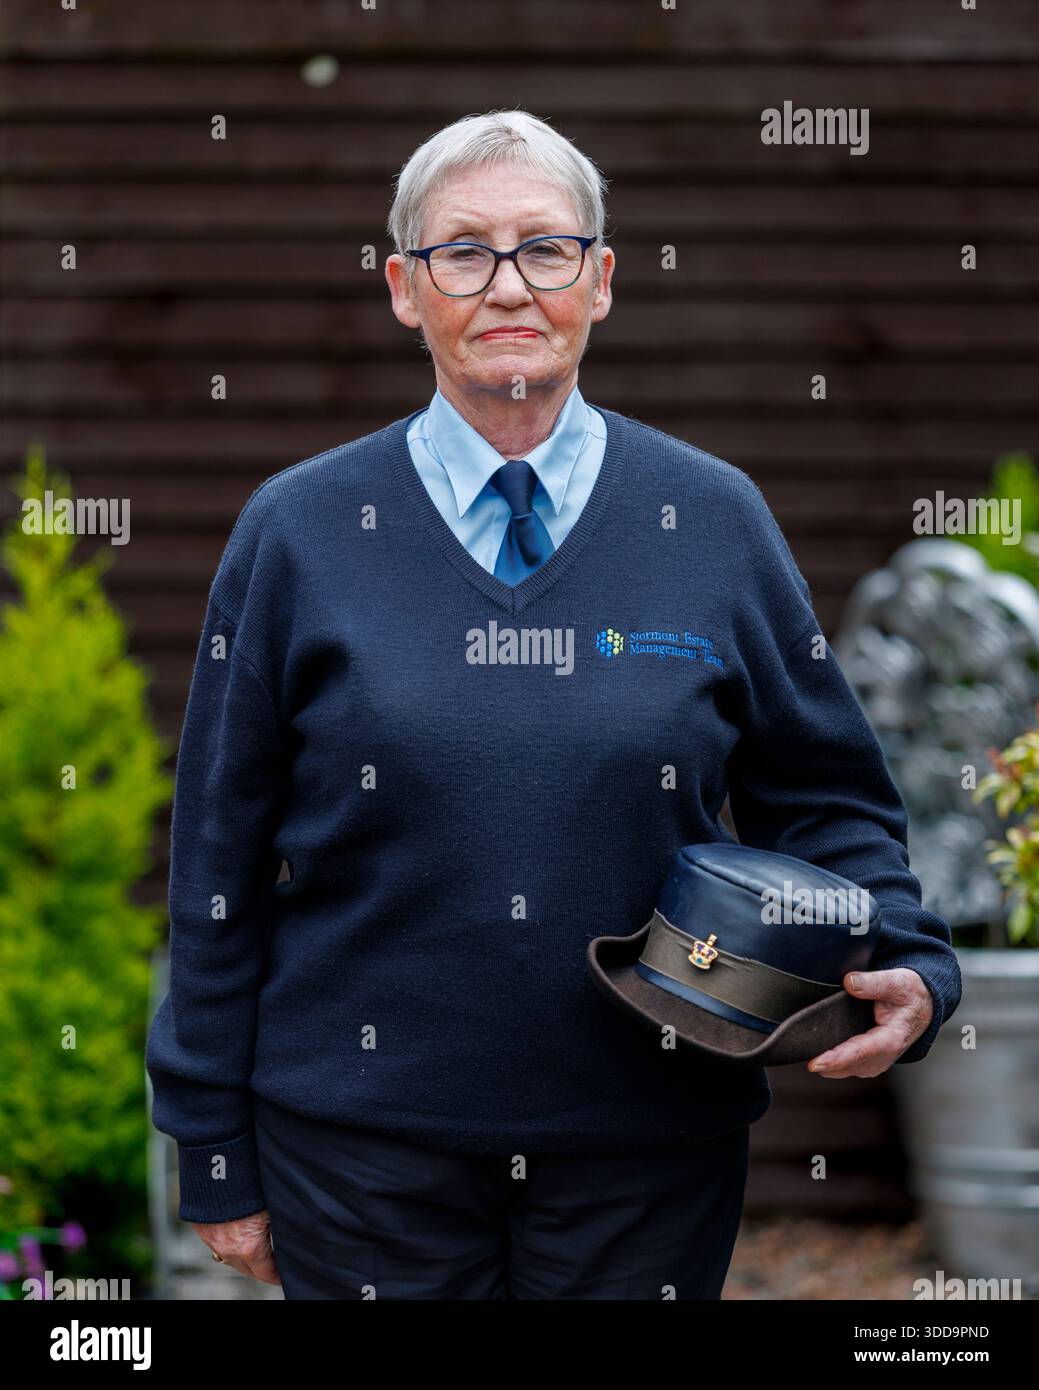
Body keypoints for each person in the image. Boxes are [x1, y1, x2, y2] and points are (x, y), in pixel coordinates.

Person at [145, 109, 961, 1300]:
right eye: (461, 251)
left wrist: (904, 952)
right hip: (364, 1155)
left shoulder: (714, 519)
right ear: (402, 290)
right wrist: (212, 1143)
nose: (508, 283)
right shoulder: (300, 532)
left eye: (545, 247)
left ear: (602, 279)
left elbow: (826, 796)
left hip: (649, 1148)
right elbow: (214, 860)